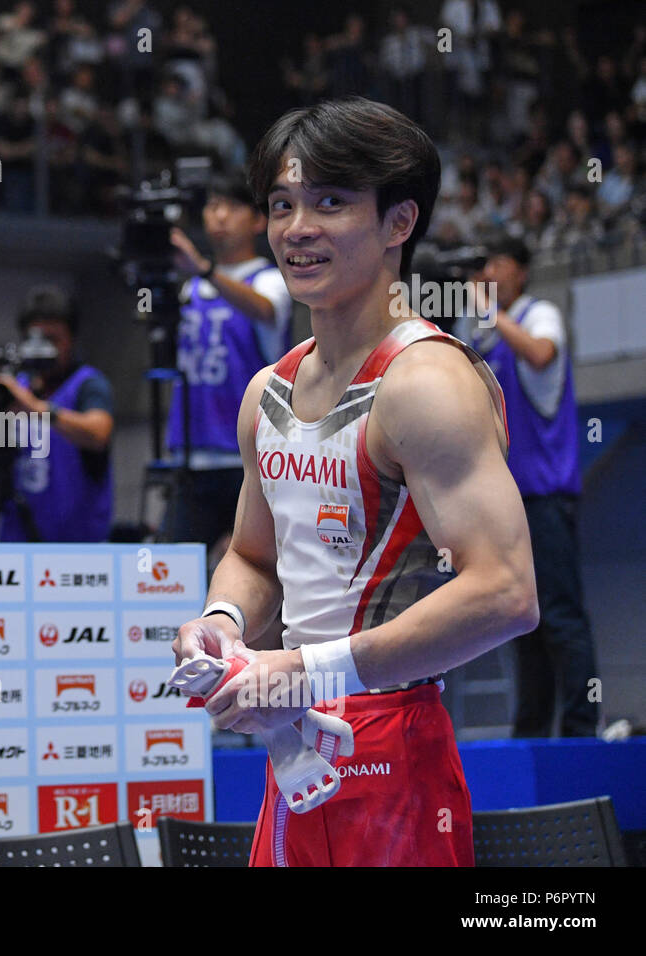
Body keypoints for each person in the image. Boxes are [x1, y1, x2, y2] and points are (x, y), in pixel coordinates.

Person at [173, 97, 539, 867]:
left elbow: (507, 593)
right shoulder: (266, 392)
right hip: (296, 743)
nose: (296, 228)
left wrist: (304, 671)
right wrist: (224, 622)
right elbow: (254, 556)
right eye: (282, 204)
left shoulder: (426, 383)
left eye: (331, 202)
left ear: (399, 222)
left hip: (391, 745)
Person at [457, 238, 599, 738]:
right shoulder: (485, 336)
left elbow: (540, 355)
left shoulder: (542, 316)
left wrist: (488, 311)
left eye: (496, 263)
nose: (487, 272)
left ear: (520, 272)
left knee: (562, 617)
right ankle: (532, 732)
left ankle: (583, 729)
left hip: (545, 497)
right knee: (523, 620)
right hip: (504, 506)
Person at [164, 176, 293, 564]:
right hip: (191, 455)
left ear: (258, 221)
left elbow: (263, 310)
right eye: (212, 206)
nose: (219, 215)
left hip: (247, 459)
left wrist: (202, 269)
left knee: (253, 569)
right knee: (171, 571)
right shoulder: (189, 290)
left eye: (231, 207)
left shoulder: (271, 280)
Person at [0, 285, 114, 542]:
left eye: (53, 339)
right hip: (17, 541)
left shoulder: (87, 384)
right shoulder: (15, 387)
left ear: (71, 338)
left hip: (77, 546)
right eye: (36, 338)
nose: (44, 349)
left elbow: (98, 432)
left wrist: (38, 409)